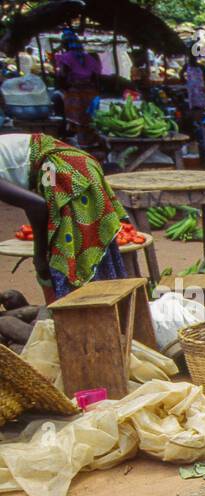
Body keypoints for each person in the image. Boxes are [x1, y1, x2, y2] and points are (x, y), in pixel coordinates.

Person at [0, 133, 129, 302]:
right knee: (86, 241)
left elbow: (36, 206)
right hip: (73, 163)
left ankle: (80, 313)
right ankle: (103, 307)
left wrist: (39, 254)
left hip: (60, 169)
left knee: (65, 253)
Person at [53, 28, 101, 143]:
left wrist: (63, 85)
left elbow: (63, 75)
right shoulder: (88, 57)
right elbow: (96, 76)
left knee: (77, 119)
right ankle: (90, 141)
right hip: (90, 92)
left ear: (66, 44)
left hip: (75, 93)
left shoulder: (66, 57)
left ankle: (81, 141)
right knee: (90, 118)